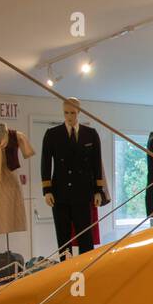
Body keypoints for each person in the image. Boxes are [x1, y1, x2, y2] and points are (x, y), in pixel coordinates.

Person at [41, 98, 105, 258]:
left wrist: (98, 191)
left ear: (79, 112)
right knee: (63, 239)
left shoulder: (90, 134)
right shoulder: (52, 134)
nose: (69, 116)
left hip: (83, 193)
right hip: (60, 193)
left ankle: (87, 270)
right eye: (66, 112)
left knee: (85, 237)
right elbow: (45, 163)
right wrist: (47, 190)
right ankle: (65, 272)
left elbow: (97, 164)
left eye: (72, 113)